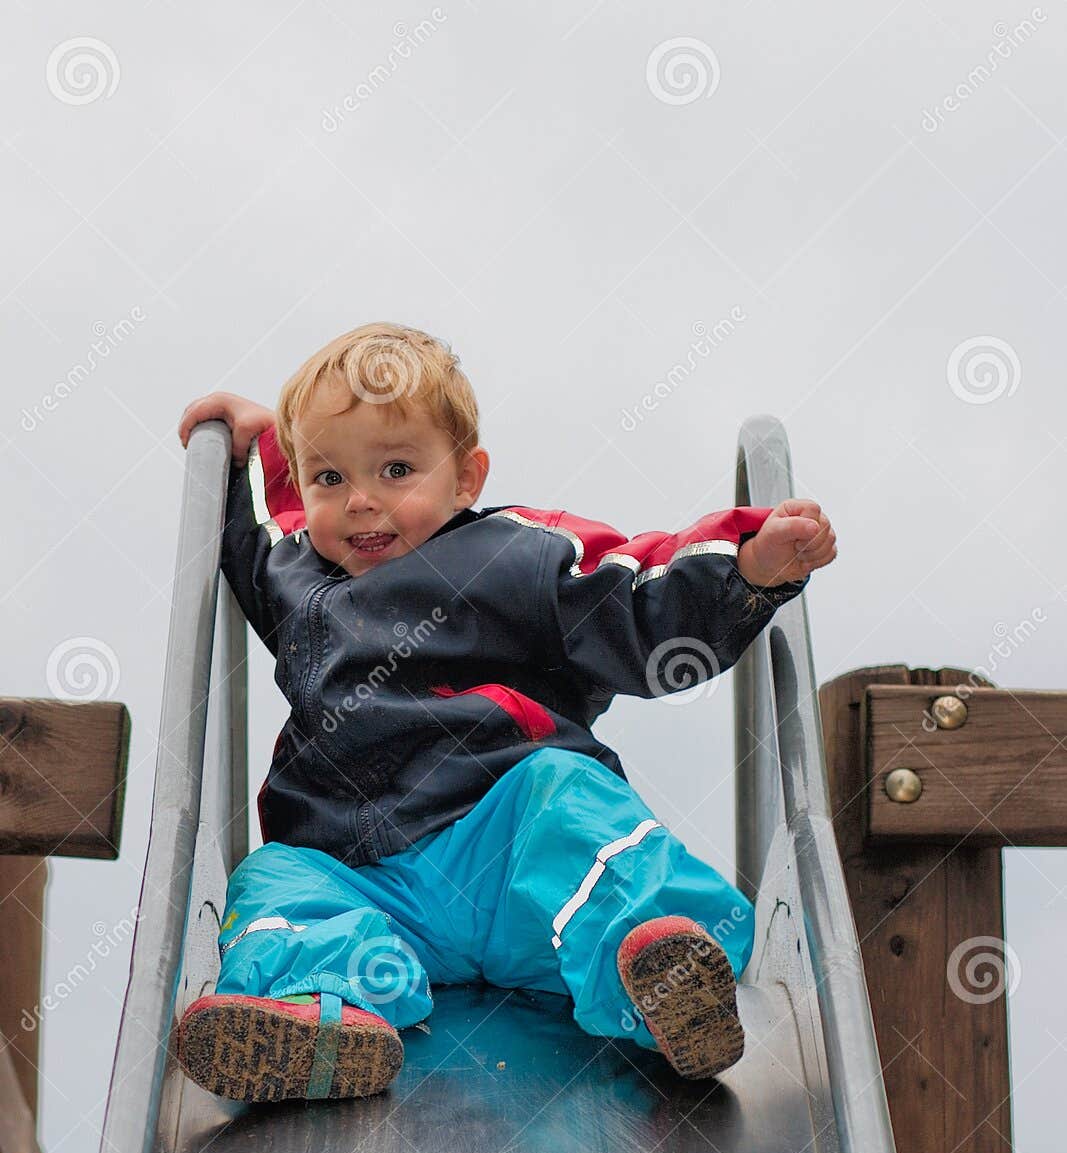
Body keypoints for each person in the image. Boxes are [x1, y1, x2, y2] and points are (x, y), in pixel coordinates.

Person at [174, 322, 836, 1104]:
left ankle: (656, 979)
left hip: (517, 878)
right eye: (327, 477)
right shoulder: (299, 580)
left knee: (561, 789)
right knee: (274, 875)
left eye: (395, 468)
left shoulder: (513, 555)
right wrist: (253, 447)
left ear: (465, 477)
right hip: (368, 891)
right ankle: (327, 1014)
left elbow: (635, 595)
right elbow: (258, 527)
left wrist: (748, 567)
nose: (360, 501)